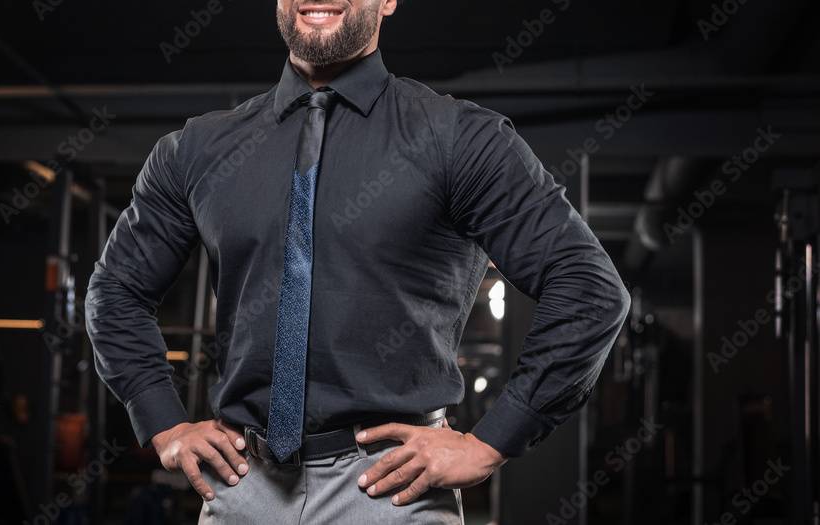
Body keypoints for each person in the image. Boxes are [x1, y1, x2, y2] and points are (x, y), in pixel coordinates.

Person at [85, 0, 630, 522]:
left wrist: (492, 441)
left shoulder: (459, 139)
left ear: (389, 0)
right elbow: (116, 294)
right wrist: (162, 420)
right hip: (241, 488)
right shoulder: (196, 149)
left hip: (391, 492)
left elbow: (589, 289)